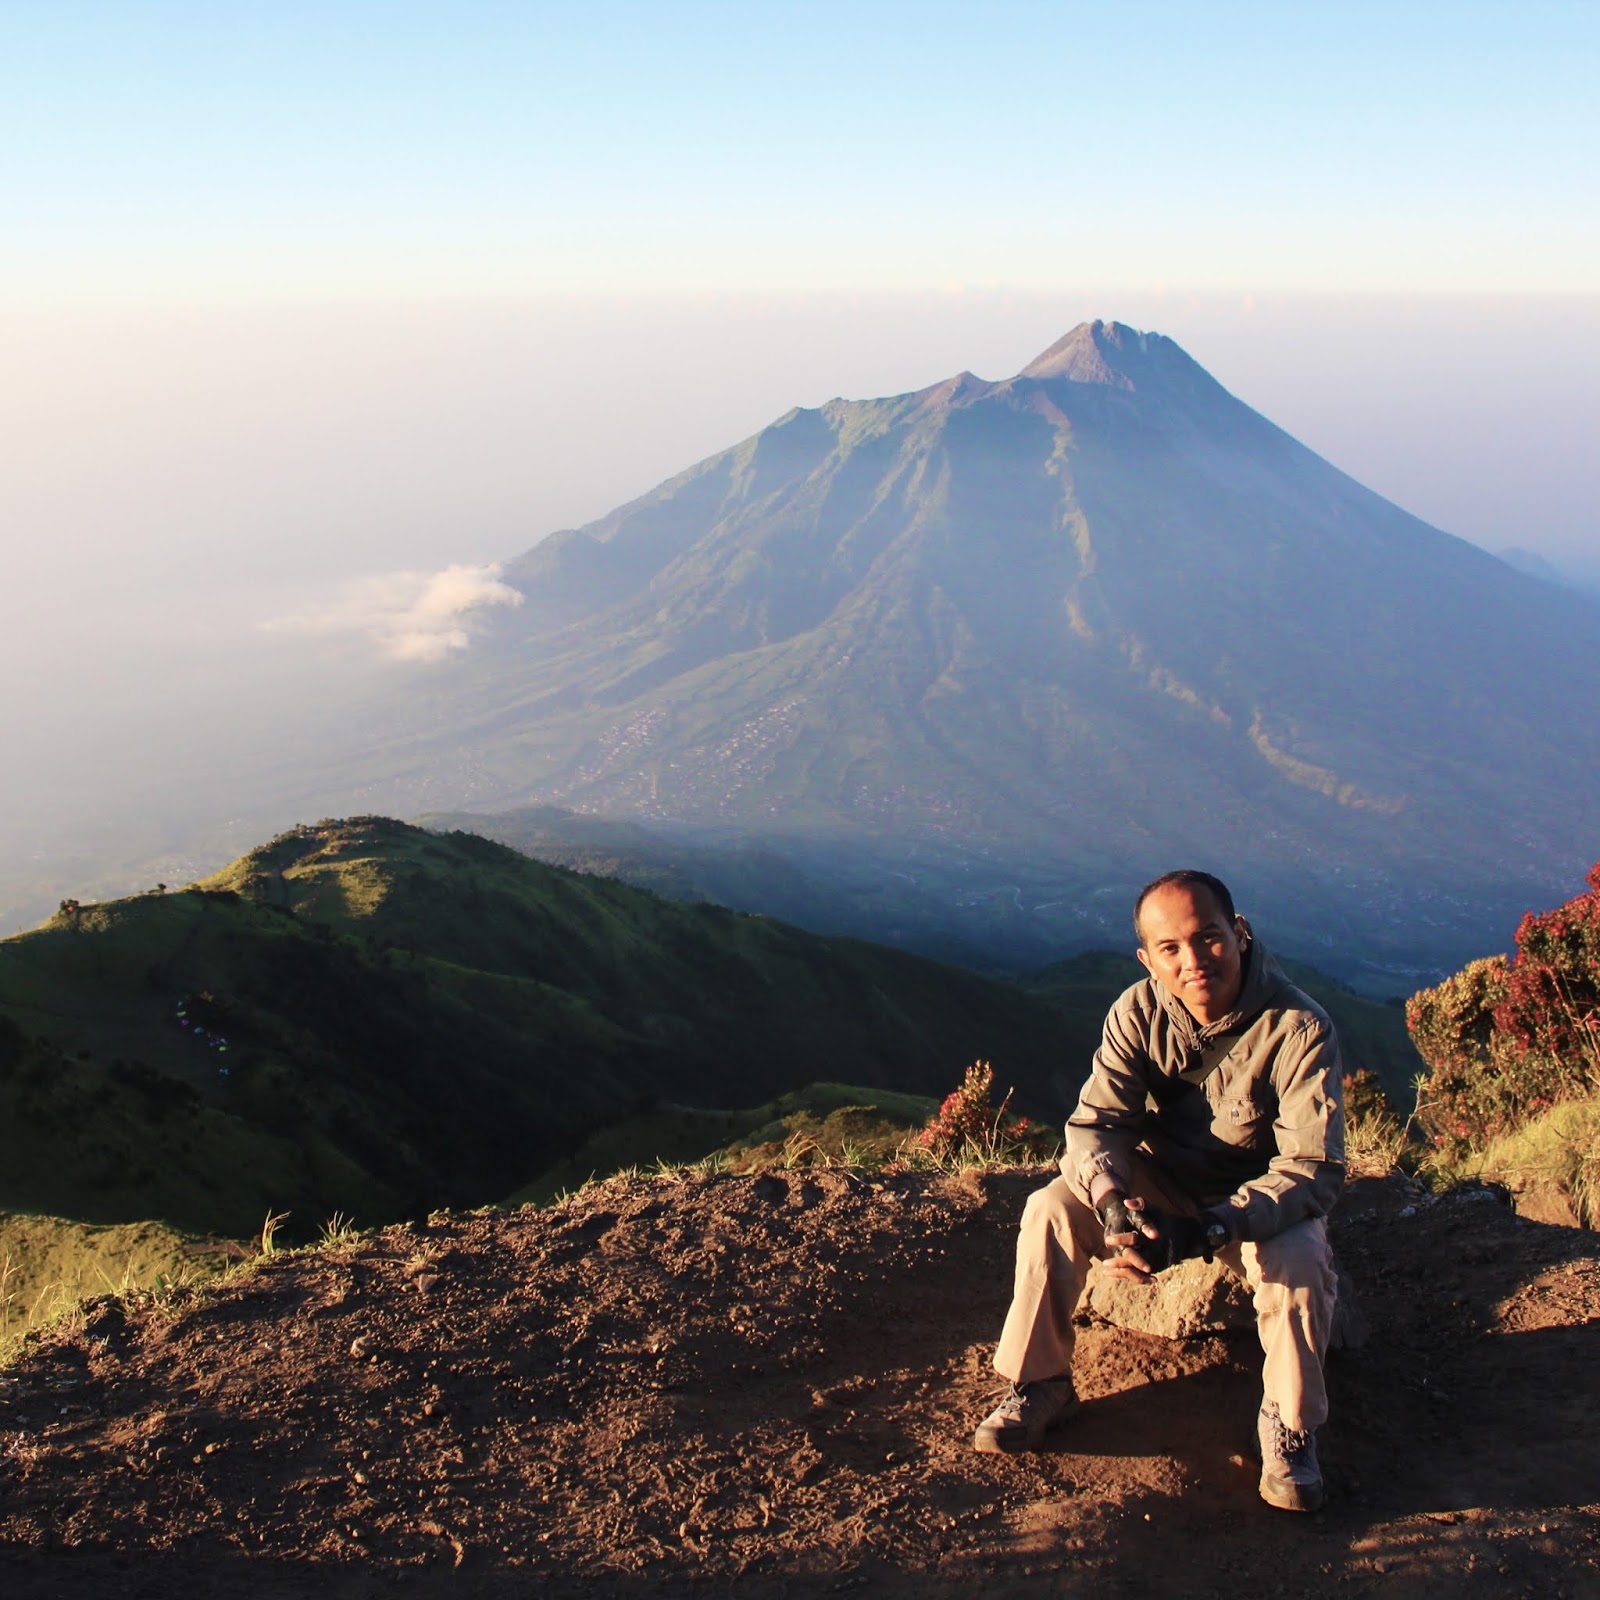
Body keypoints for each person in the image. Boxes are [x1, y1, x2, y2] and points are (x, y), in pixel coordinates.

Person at [973, 870, 1344, 1513]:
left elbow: (1311, 1168)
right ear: (1148, 959)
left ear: (1240, 933)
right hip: (1162, 1182)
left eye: (1208, 938)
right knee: (1051, 1208)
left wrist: (1211, 1229)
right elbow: (1095, 1127)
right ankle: (1040, 1383)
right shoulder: (1136, 1014)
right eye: (1170, 948)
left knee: (1302, 1264)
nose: (1193, 959)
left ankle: (1289, 1424)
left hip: (1255, 1203)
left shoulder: (1298, 1028)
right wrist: (1115, 1204)